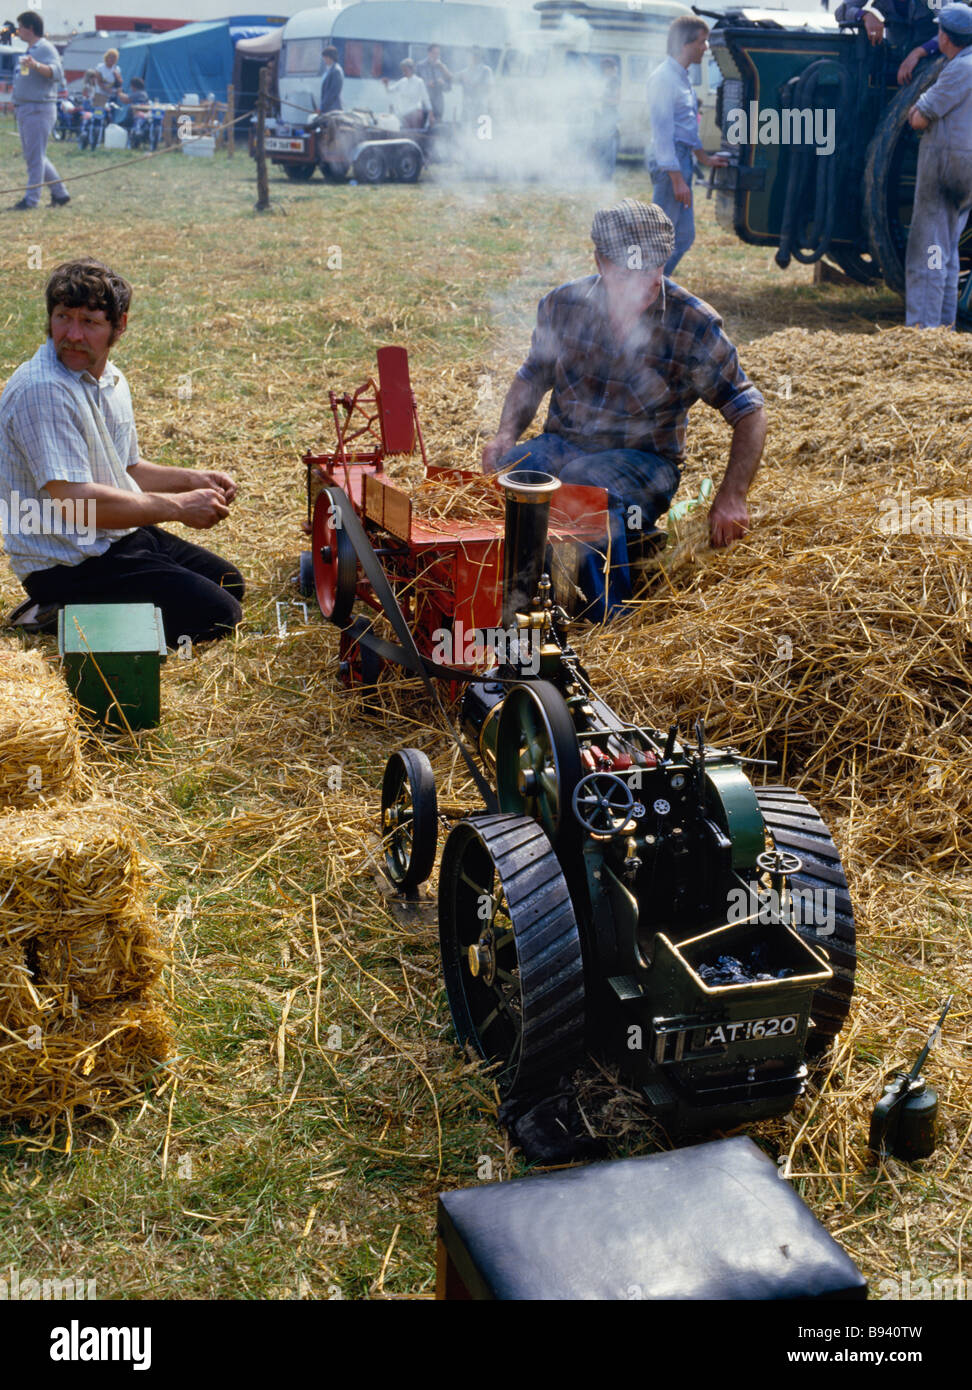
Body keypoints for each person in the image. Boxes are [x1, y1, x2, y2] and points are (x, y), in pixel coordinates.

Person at [481, 200, 766, 617]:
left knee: (581, 487)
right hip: (564, 443)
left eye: (653, 269)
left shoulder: (693, 323)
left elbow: (749, 410)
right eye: (627, 273)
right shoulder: (563, 306)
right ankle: (511, 607)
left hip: (646, 461)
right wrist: (506, 436)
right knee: (514, 477)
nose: (646, 284)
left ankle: (605, 622)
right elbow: (532, 375)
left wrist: (733, 495)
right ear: (599, 260)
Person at [0, 260, 244, 646]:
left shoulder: (110, 379)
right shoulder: (43, 390)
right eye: (63, 317)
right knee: (217, 616)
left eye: (90, 322)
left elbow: (127, 468)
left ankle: (90, 606)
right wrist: (178, 507)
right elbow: (74, 505)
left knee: (230, 584)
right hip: (68, 560)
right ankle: (59, 610)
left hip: (114, 534)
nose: (72, 335)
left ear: (120, 325)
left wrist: (192, 479)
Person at [904, 4, 972, 326]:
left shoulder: (959, 69)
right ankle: (943, 327)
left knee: (929, 252)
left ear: (945, 36)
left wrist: (916, 105)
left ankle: (924, 331)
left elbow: (918, 118)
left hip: (946, 170)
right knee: (947, 252)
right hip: (965, 176)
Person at [646, 17, 728, 275]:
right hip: (671, 164)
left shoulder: (681, 77)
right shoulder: (664, 79)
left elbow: (687, 127)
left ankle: (651, 290)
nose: (706, 48)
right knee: (664, 239)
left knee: (682, 237)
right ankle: (641, 293)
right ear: (685, 43)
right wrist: (676, 178)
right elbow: (663, 133)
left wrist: (704, 157)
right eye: (702, 41)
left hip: (681, 161)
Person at [10, 11, 69, 211]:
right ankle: (60, 194)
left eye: (20, 27)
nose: (18, 32)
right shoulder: (31, 49)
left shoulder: (45, 48)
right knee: (36, 156)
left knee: (35, 158)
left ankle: (31, 200)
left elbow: (56, 73)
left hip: (38, 108)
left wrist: (35, 65)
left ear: (30, 28)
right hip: (27, 108)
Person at [834, 0, 943, 84]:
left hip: (933, 58)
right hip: (896, 56)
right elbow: (841, 11)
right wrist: (864, 15)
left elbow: (949, 28)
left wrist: (919, 52)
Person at [382, 58, 432, 129]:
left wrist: (430, 113)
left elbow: (425, 98)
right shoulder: (402, 81)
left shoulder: (419, 81)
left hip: (415, 113)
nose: (404, 72)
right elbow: (390, 90)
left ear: (411, 69)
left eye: (405, 70)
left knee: (414, 132)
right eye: (403, 70)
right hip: (404, 114)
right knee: (405, 132)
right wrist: (386, 85)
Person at [593, 56, 621, 179]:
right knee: (603, 145)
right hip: (604, 117)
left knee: (609, 146)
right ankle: (603, 173)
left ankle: (607, 174)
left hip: (610, 117)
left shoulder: (615, 81)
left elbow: (616, 100)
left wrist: (601, 99)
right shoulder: (607, 81)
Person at [415, 44, 453, 123]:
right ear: (429, 53)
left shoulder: (443, 67)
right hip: (424, 100)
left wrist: (442, 83)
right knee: (420, 123)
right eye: (434, 53)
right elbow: (415, 84)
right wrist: (426, 84)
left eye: (438, 53)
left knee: (437, 126)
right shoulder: (420, 66)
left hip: (438, 101)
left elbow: (449, 88)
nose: (436, 56)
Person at [458, 46, 493, 129]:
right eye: (469, 55)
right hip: (467, 108)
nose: (469, 58)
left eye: (473, 55)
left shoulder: (486, 70)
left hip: (480, 107)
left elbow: (489, 88)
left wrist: (474, 84)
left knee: (481, 134)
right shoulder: (465, 71)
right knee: (465, 131)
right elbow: (452, 78)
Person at [319, 45, 343, 115]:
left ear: (330, 57)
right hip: (327, 108)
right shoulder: (329, 70)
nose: (324, 60)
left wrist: (323, 107)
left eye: (325, 58)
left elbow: (333, 93)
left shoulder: (336, 71)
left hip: (333, 109)